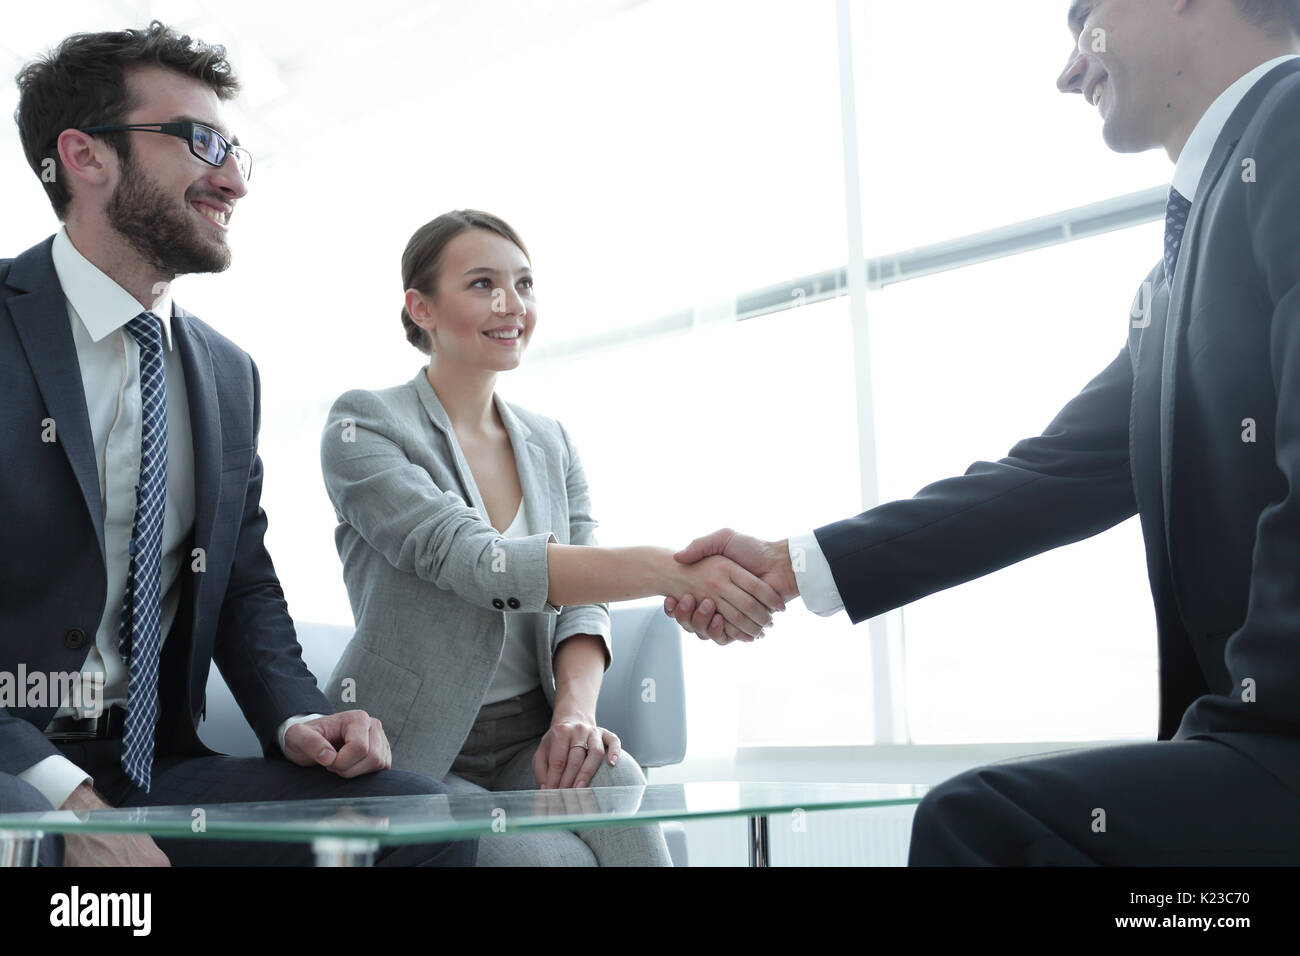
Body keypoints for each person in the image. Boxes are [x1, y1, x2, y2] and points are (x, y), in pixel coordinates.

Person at [665, 0, 1300, 865]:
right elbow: (1050, 479)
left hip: (1279, 742)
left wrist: (1250, 724)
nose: (1071, 68)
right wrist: (793, 563)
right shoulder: (1173, 275)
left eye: (1086, 22)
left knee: (983, 825)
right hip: (1253, 749)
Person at [0, 22, 474, 867]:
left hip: (155, 769)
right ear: (84, 155)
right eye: (200, 141)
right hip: (13, 770)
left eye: (235, 150)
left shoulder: (225, 372)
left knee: (421, 823)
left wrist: (296, 717)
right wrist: (59, 803)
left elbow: (243, 581)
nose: (232, 181)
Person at [319, 209, 784, 865]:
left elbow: (580, 600)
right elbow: (479, 564)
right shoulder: (364, 426)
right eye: (483, 284)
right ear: (420, 307)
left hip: (527, 734)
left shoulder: (550, 442)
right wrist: (670, 569)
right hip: (413, 743)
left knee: (620, 780)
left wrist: (574, 715)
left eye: (525, 283)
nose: (513, 305)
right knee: (542, 859)